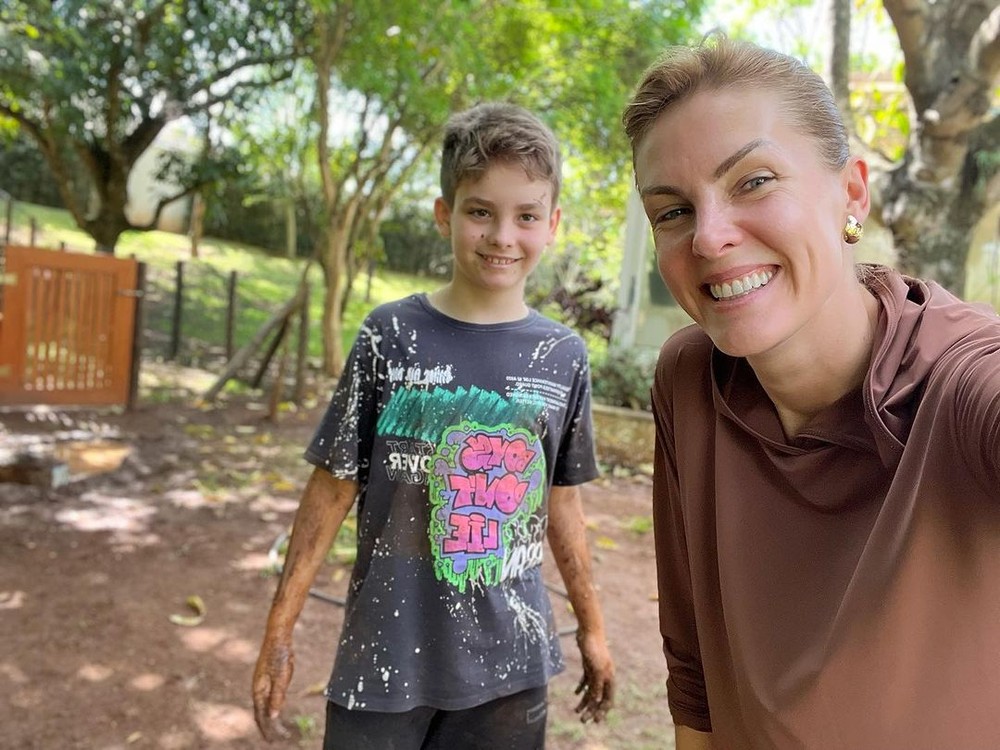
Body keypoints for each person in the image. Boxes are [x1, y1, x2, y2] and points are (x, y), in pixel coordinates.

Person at [622, 36, 1000, 750]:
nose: (708, 236)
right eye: (672, 211)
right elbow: (695, 671)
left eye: (754, 181)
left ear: (852, 191)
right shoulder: (689, 379)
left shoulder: (960, 379)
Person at [252, 102, 615, 749]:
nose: (504, 236)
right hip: (384, 661)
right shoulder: (389, 335)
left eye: (526, 215)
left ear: (552, 224)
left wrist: (592, 625)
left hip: (509, 669)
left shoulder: (563, 357)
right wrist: (280, 628)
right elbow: (332, 487)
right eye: (481, 211)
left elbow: (562, 500)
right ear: (445, 214)